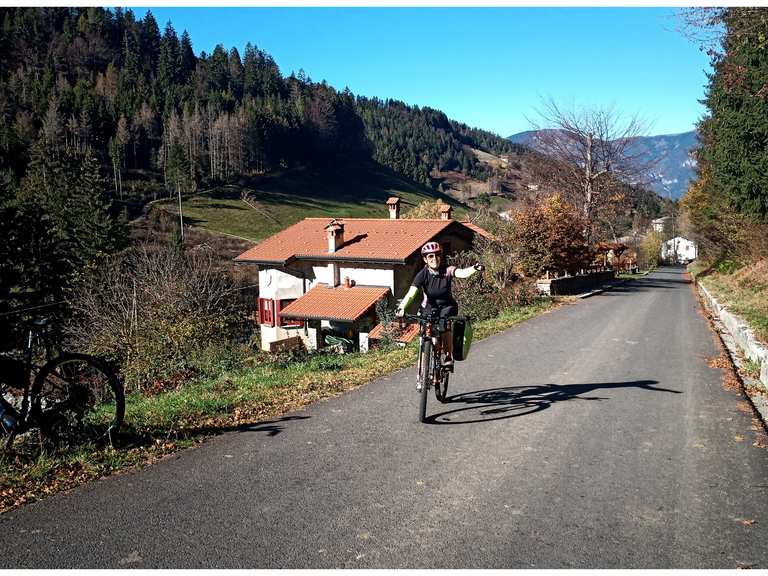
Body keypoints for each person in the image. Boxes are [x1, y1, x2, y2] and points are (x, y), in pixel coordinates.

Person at [395, 241, 483, 370]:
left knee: (445, 327)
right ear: (425, 259)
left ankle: (448, 357)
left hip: (447, 306)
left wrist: (474, 268)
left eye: (437, 255)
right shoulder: (422, 275)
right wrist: (402, 307)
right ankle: (425, 363)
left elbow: (462, 273)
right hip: (429, 307)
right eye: (430, 256)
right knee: (427, 331)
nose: (434, 258)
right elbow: (411, 294)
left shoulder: (447, 270)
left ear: (440, 257)